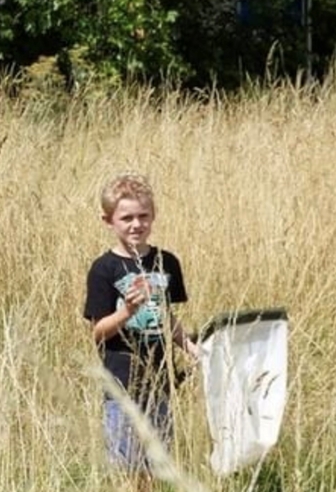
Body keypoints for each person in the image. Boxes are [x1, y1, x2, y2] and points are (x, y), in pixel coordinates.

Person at [82, 172, 200, 491]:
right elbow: (98, 332)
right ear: (109, 221)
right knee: (126, 469)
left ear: (153, 216)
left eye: (143, 216)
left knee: (154, 465)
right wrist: (127, 312)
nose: (136, 224)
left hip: (160, 381)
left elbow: (166, 316)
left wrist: (190, 347)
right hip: (121, 382)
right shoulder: (104, 269)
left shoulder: (167, 262)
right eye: (127, 218)